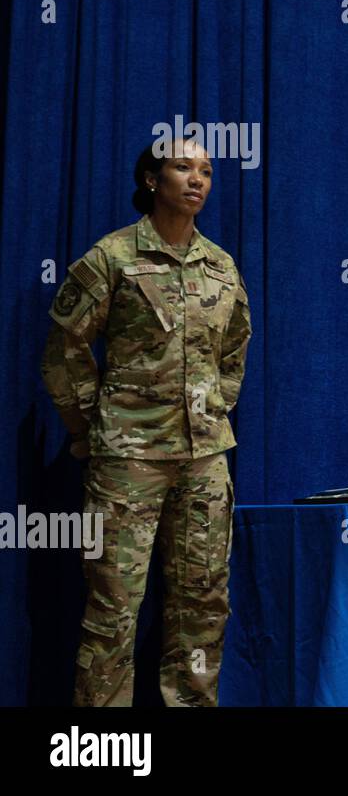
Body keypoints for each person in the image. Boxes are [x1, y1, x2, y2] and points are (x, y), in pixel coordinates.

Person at [41, 137, 252, 706]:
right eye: (183, 167)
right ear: (152, 179)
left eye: (206, 170)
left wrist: (213, 409)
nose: (197, 179)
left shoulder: (221, 266)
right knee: (114, 606)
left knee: (204, 603)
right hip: (128, 461)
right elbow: (65, 349)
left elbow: (234, 349)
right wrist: (92, 428)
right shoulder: (112, 258)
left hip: (204, 460)